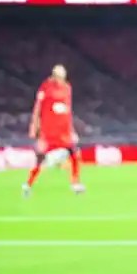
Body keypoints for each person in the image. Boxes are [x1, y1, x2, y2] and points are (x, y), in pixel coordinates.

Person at [24, 64, 82, 196]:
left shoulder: (67, 88)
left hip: (64, 132)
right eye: (58, 76)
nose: (60, 79)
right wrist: (34, 126)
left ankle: (75, 183)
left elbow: (68, 110)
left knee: (74, 154)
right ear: (54, 76)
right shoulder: (45, 88)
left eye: (62, 77)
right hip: (49, 131)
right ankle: (28, 184)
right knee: (40, 160)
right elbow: (38, 108)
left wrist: (72, 130)